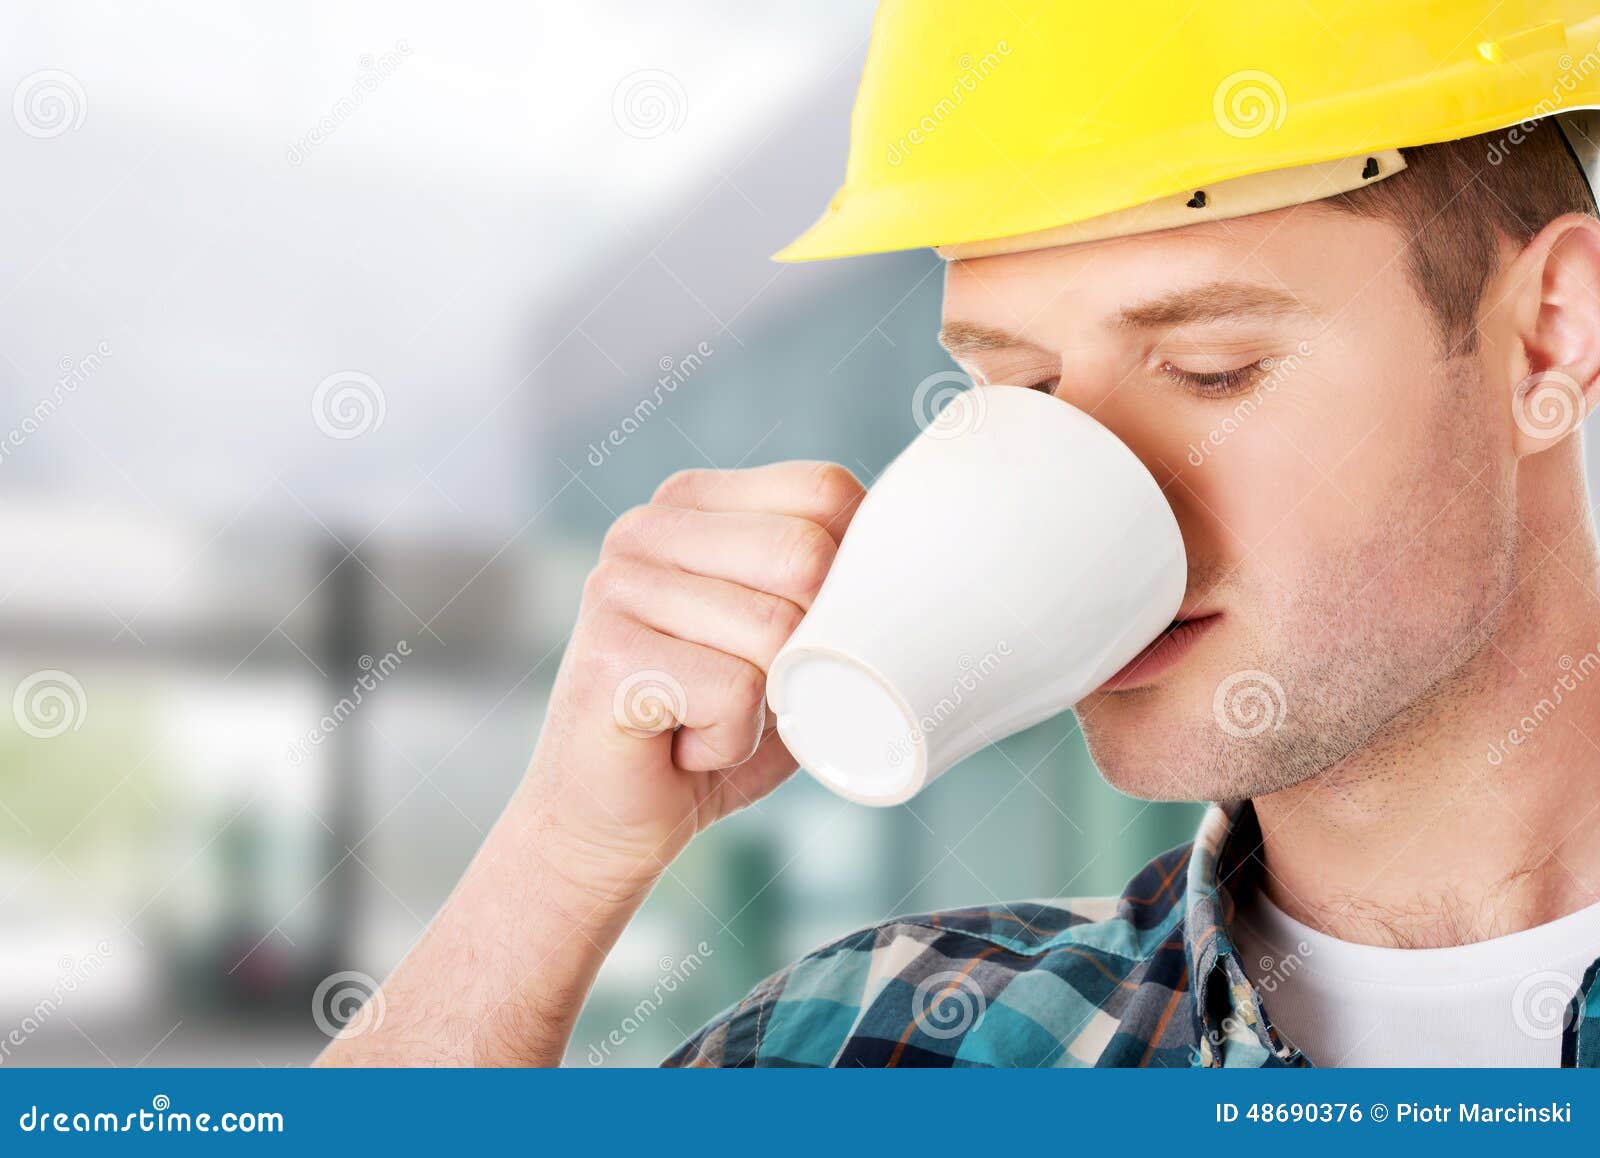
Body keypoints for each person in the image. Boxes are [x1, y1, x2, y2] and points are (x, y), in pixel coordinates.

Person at [318, 3, 1600, 1067]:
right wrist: (564, 853)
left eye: (1209, 368)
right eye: (1019, 390)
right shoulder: (892, 1046)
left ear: (1545, 334)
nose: (1102, 480)